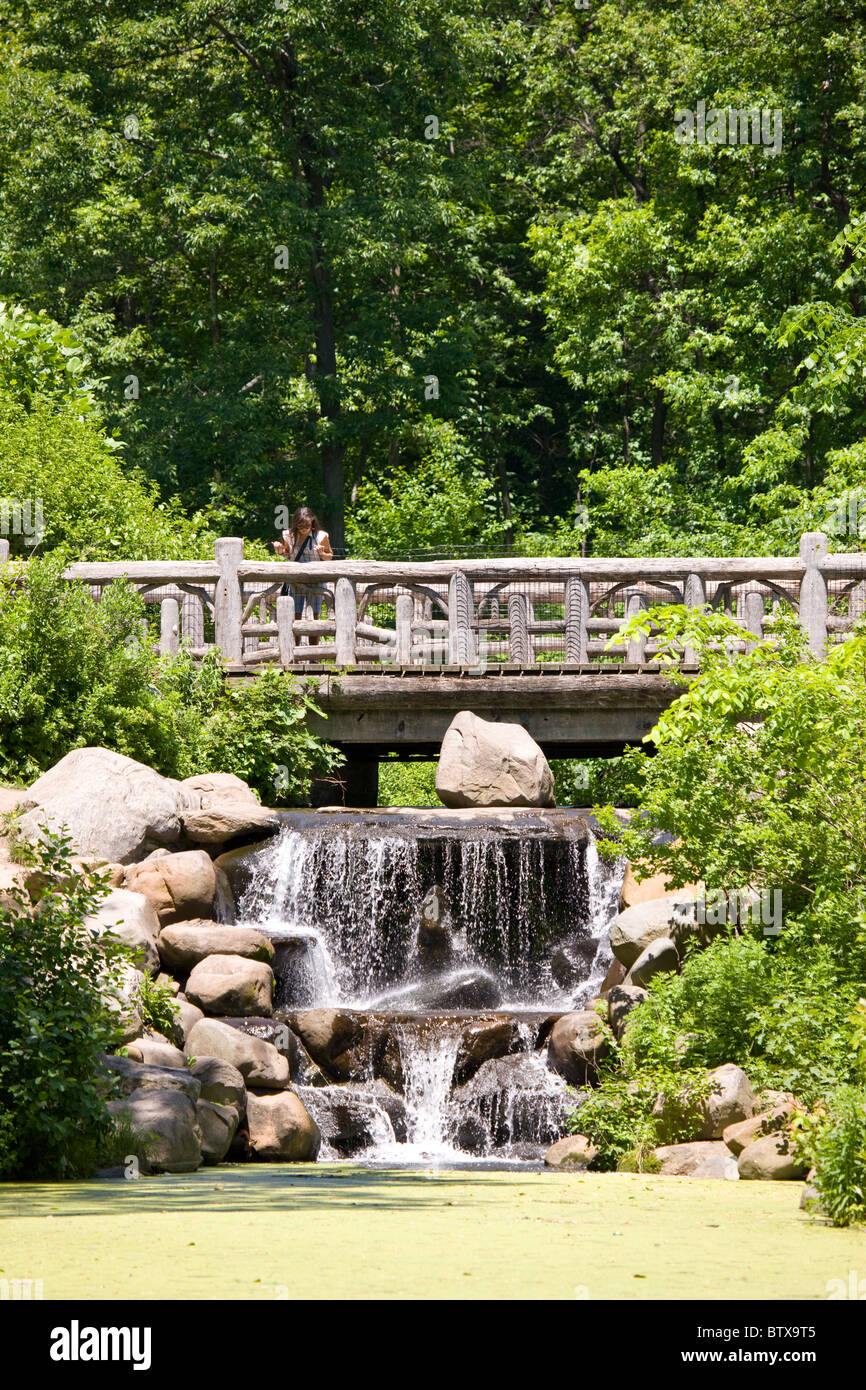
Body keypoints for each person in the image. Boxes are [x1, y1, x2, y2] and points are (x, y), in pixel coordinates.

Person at [272, 507, 333, 645]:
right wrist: (280, 551)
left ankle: (313, 654)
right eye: (301, 526)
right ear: (295, 524)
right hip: (296, 582)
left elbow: (330, 556)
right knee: (295, 616)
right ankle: (295, 651)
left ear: (312, 521)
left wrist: (322, 553)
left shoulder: (321, 536)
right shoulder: (289, 535)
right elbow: (287, 554)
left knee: (314, 617)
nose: (304, 528)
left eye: (307, 525)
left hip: (316, 582)